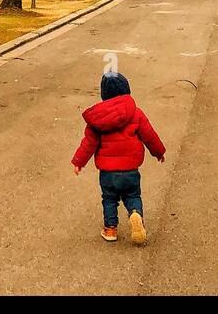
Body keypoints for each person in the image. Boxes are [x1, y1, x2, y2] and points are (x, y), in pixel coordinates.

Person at [71, 71, 166, 244]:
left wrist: (79, 162)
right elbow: (149, 135)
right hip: (130, 169)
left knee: (109, 199)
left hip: (108, 172)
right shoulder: (136, 113)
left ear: (104, 94)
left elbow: (89, 143)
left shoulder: (98, 119)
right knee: (133, 195)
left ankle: (110, 229)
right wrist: (159, 152)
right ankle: (136, 214)